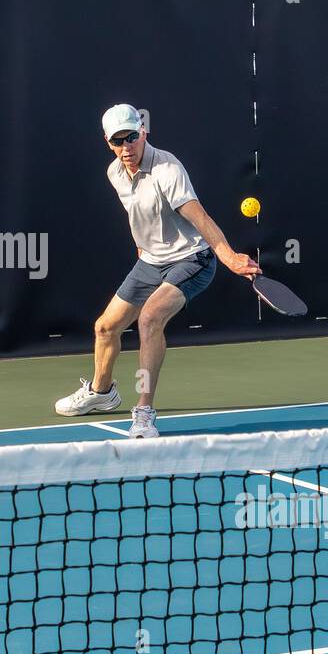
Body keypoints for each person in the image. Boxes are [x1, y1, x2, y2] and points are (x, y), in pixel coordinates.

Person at [55, 103, 261, 437]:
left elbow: (201, 218)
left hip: (192, 258)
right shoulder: (115, 173)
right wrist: (143, 249)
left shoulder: (168, 170)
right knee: (106, 328)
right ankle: (102, 392)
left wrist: (229, 256)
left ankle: (144, 411)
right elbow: (139, 215)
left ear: (143, 133)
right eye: (117, 141)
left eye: (131, 137)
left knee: (150, 318)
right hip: (150, 261)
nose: (126, 147)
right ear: (107, 142)